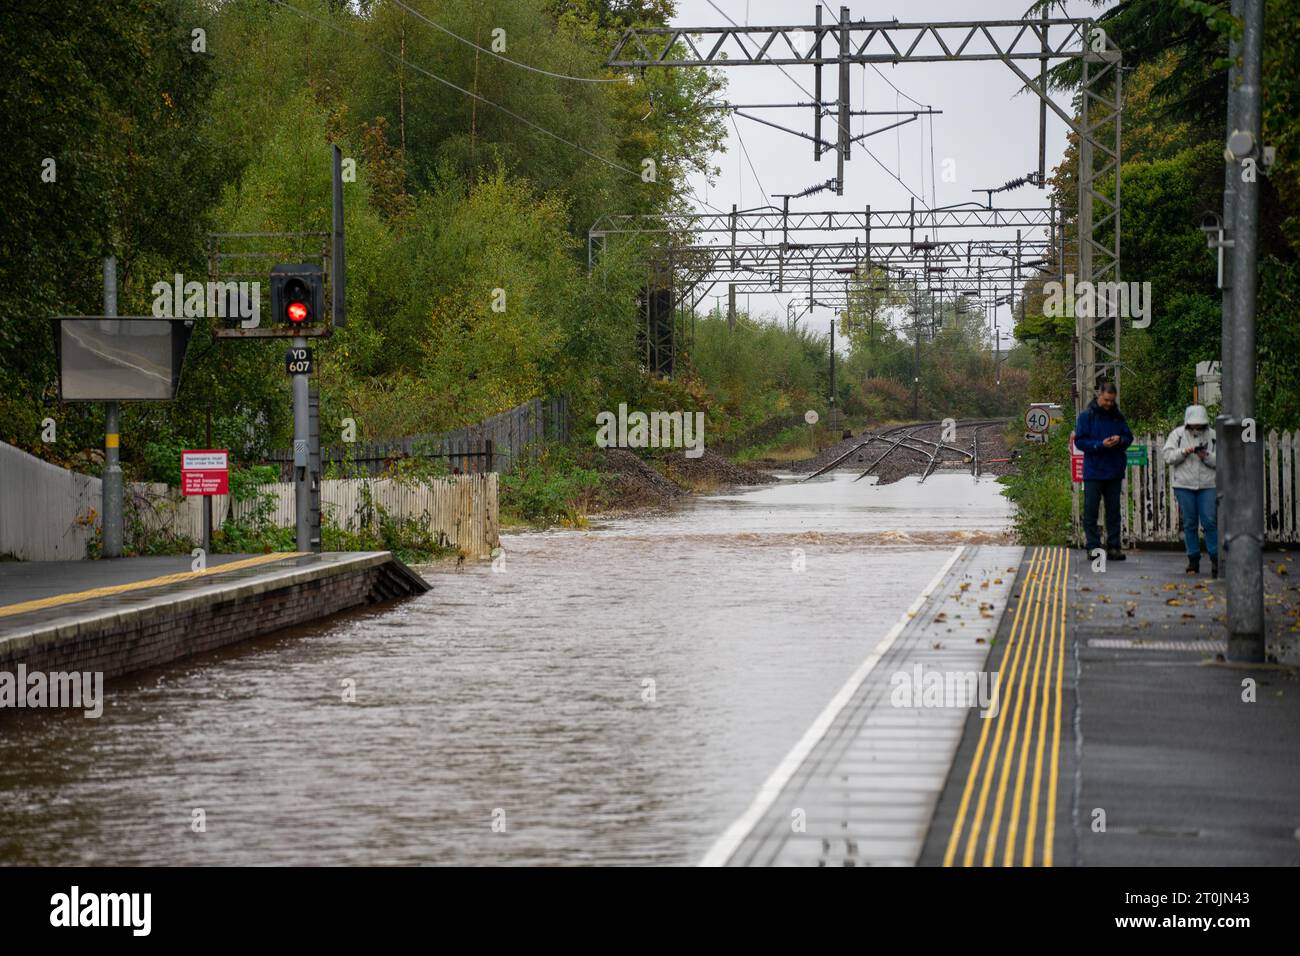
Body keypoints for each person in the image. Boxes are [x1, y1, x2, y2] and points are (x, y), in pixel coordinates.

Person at [1074, 382, 1134, 560]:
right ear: (1099, 395)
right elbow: (1080, 441)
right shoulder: (1086, 417)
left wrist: (1120, 439)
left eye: (1112, 400)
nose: (1109, 403)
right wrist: (1100, 445)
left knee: (1113, 511)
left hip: (1114, 470)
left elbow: (1128, 436)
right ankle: (1093, 546)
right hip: (1094, 471)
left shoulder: (1118, 417)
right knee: (1091, 510)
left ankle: (1114, 547)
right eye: (1106, 400)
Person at [1162, 404, 1218, 576]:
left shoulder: (1214, 435)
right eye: (1193, 424)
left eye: (1199, 424)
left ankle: (1216, 558)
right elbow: (1168, 456)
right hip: (1184, 485)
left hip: (1208, 485)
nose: (1196, 427)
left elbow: (1222, 460)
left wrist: (1206, 456)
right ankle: (1193, 560)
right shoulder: (1177, 435)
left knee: (1210, 522)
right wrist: (1184, 452)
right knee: (1189, 523)